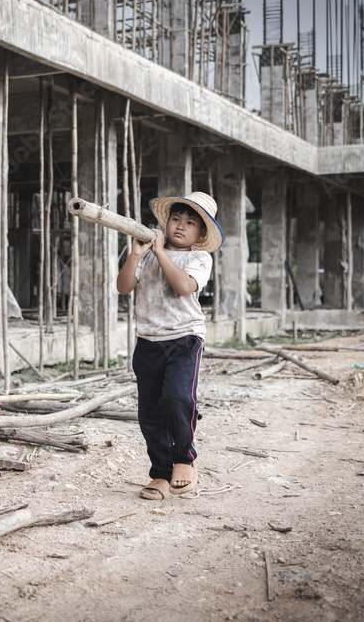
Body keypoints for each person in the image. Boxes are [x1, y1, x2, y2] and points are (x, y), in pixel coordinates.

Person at [115, 191, 223, 500]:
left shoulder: (198, 258)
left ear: (200, 234)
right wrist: (137, 254)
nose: (180, 226)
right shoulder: (147, 253)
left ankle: (184, 459)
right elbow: (123, 287)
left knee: (178, 400)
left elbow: (184, 285)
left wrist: (160, 252)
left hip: (184, 339)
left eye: (190, 223)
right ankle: (160, 472)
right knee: (150, 412)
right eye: (176, 219)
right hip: (148, 341)